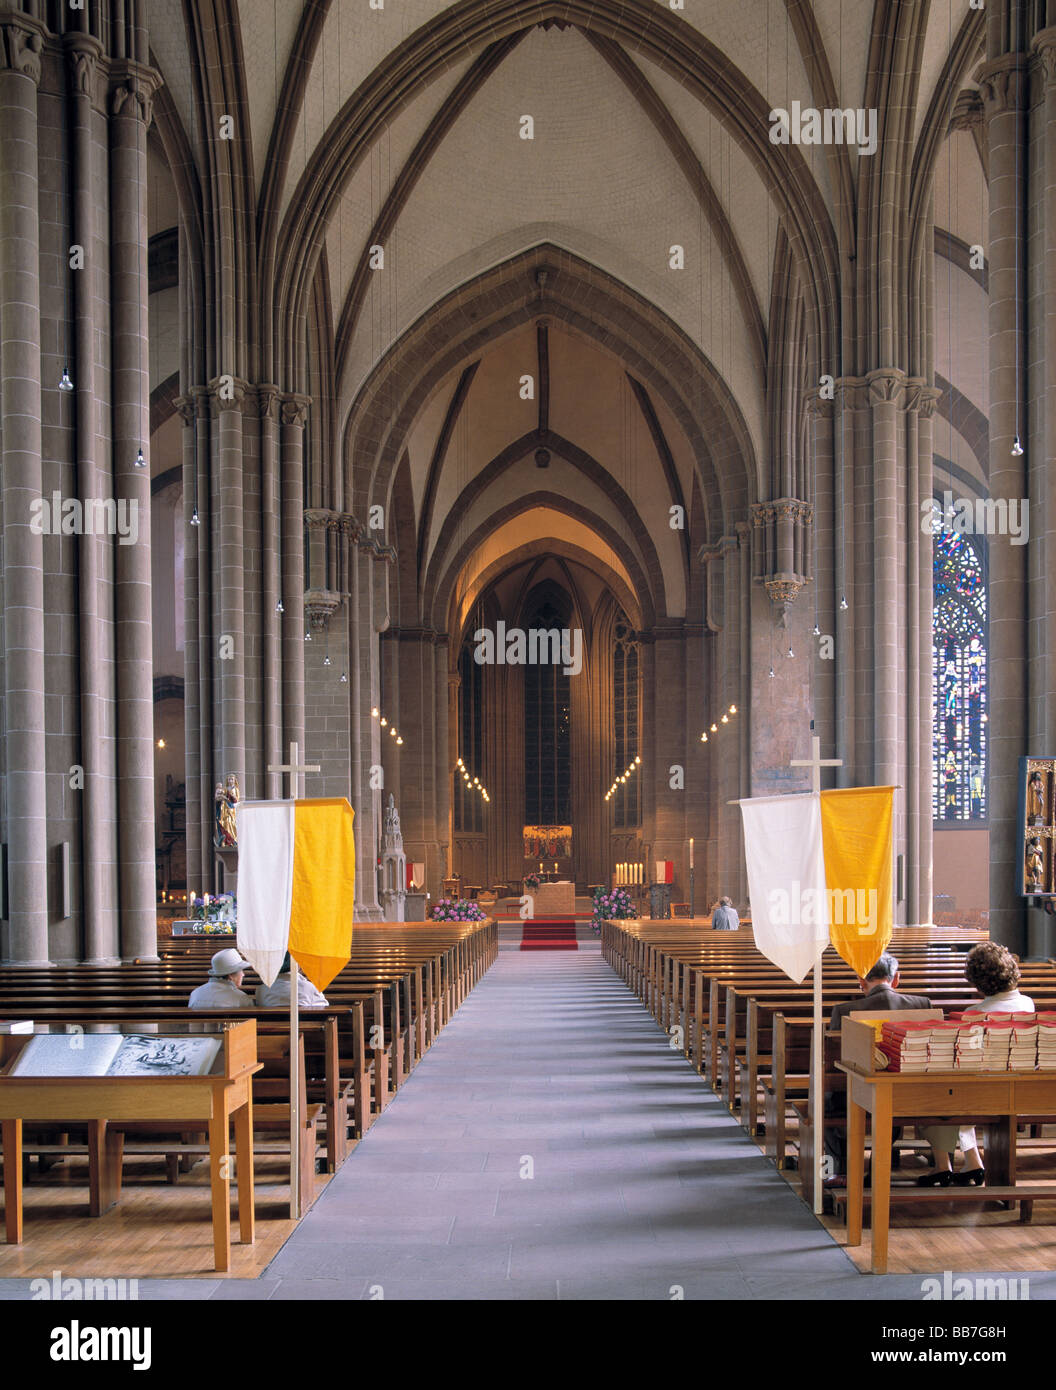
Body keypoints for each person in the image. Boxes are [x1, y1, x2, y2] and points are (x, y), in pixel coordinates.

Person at [918, 942, 1035, 1187]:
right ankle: (972, 1163)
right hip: (1020, 1085)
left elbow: (966, 1059)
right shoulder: (1027, 1004)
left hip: (985, 1091)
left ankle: (942, 1166)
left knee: (935, 1094)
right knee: (961, 1091)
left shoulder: (974, 1012)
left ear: (978, 982)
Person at [824, 954, 931, 1186]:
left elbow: (833, 1061)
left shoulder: (844, 1010)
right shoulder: (922, 1005)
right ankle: (878, 1167)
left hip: (852, 1096)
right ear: (896, 980)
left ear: (861, 981)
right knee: (891, 1098)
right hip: (906, 1097)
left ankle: (836, 1171)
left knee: (827, 1099)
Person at [255, 952, 329, 1009]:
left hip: (269, 1028)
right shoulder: (309, 988)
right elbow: (324, 1009)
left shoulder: (262, 990)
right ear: (297, 965)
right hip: (304, 1027)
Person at [188, 948, 254, 1009]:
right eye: (241, 971)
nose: (243, 974)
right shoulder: (241, 999)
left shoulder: (195, 993)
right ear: (230, 976)